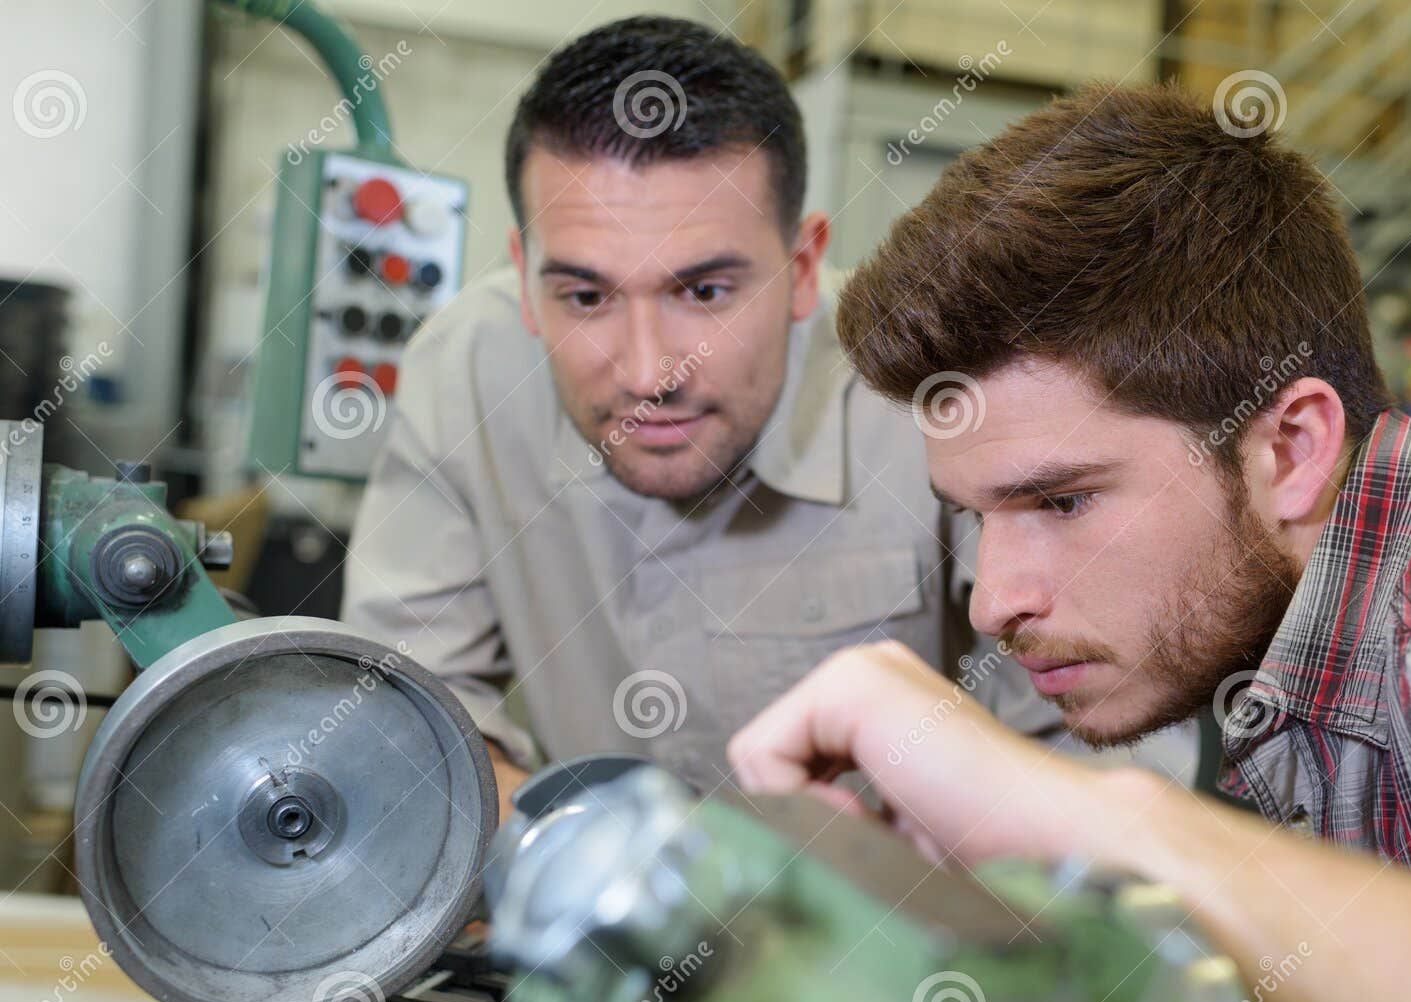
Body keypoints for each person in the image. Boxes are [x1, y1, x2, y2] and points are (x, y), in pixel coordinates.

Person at [729, 83, 1411, 1002]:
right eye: (979, 517)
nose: (993, 599)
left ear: (1292, 449)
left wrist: (1111, 828)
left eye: (1062, 502)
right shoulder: (1303, 699)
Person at [341, 19, 1165, 819]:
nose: (645, 374)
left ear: (802, 268)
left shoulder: (934, 396)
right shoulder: (463, 373)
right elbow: (402, 723)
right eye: (585, 296)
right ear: (525, 279)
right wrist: (589, 864)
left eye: (704, 293)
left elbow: (1100, 767)